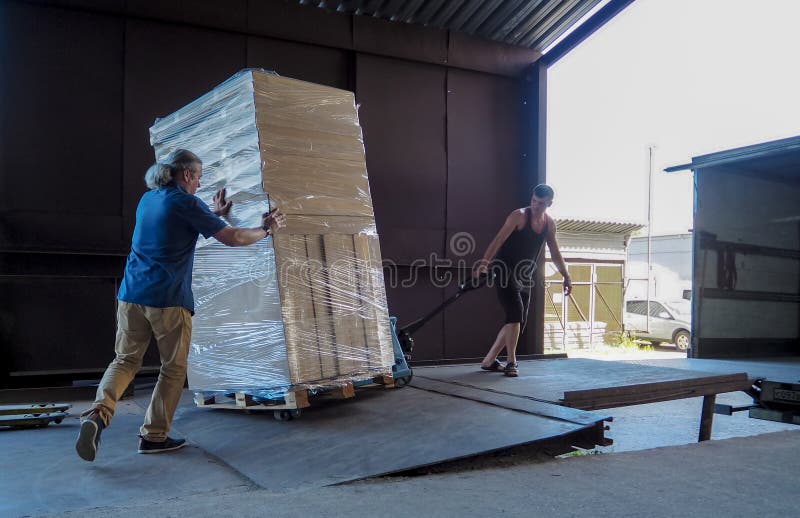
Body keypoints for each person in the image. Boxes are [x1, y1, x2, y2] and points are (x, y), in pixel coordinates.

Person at [75, 149, 286, 461]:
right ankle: (153, 436)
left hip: (130, 295)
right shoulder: (186, 203)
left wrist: (213, 214)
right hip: (167, 300)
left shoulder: (148, 199)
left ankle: (97, 415)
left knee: (124, 361)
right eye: (198, 177)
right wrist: (266, 228)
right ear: (186, 174)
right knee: (173, 369)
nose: (199, 184)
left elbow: (175, 229)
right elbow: (233, 238)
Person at [473, 184, 572, 377]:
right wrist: (484, 264)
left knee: (518, 320)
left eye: (541, 203)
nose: (535, 205)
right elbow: (499, 239)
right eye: (534, 201)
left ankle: (489, 360)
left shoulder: (549, 225)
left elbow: (555, 252)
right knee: (515, 314)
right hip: (504, 269)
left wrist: (566, 276)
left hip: (525, 275)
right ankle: (512, 362)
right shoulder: (518, 216)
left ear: (549, 204)